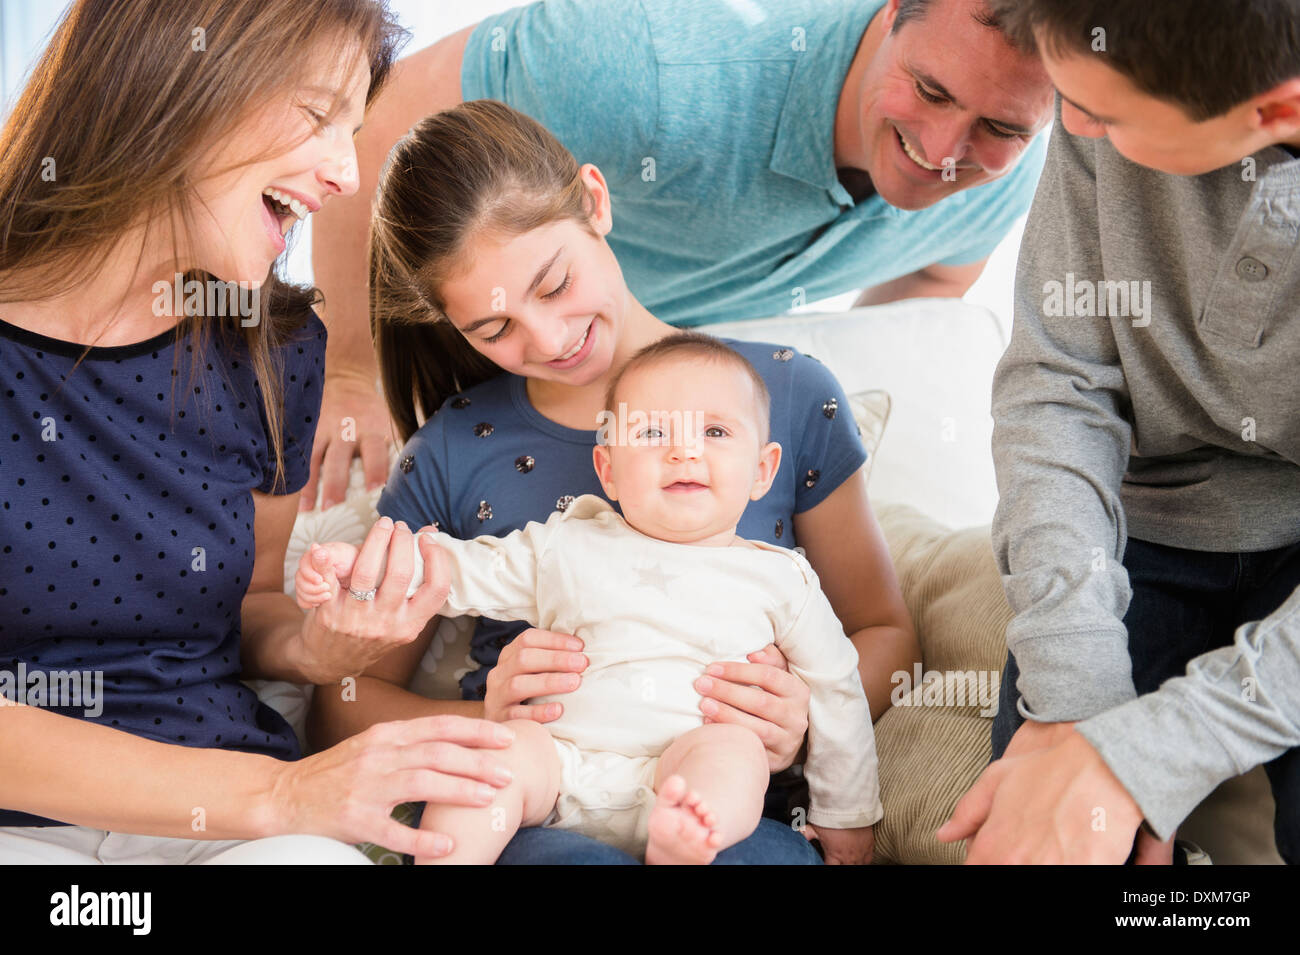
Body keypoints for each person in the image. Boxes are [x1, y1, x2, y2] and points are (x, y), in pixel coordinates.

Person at [306, 99, 917, 864]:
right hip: (538, 811)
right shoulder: (454, 449)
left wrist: (807, 715)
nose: (551, 338)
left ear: (595, 202)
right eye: (494, 330)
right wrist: (487, 727)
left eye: (556, 283)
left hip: (732, 814)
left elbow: (884, 631)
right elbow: (342, 703)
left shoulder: (786, 397)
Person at [0, 0, 517, 864]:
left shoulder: (274, 348)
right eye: (317, 115)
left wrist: (320, 642)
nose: (347, 174)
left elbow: (237, 611)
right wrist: (281, 792)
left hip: (229, 815)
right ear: (172, 78)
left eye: (352, 130)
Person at [303, 0, 1057, 515]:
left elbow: (936, 274)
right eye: (928, 89)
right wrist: (346, 371)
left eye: (1000, 126)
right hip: (448, 370)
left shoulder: (1007, 182)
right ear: (892, 10)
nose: (942, 151)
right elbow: (371, 126)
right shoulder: (647, 60)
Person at [938, 0, 1300, 864]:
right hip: (1144, 524)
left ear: (1276, 112)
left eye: (1107, 115)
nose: (1071, 125)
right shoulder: (1104, 83)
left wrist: (1140, 755)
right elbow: (1057, 387)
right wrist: (1075, 694)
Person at [297, 334, 882, 864]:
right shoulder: (568, 542)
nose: (684, 452)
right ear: (608, 470)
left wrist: (844, 815)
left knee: (734, 755)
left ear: (762, 470)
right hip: (558, 763)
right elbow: (459, 569)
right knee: (497, 757)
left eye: (715, 432)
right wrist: (362, 569)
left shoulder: (782, 580)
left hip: (685, 768)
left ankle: (683, 843)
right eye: (652, 433)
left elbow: (838, 688)